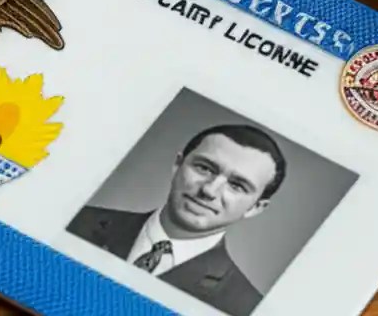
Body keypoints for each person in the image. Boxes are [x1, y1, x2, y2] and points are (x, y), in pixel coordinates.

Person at [67, 124, 287, 316]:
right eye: (204, 168)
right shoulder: (76, 218)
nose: (209, 190)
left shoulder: (245, 308)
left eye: (237, 186)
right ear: (177, 165)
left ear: (256, 208)